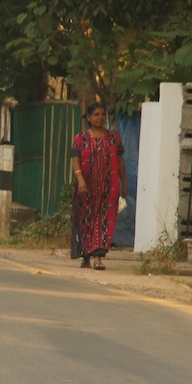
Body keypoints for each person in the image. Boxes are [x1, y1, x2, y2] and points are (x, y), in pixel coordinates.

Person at [70, 102, 128, 269]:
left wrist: (124, 183)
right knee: (87, 219)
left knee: (105, 220)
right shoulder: (80, 138)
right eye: (96, 114)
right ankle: (86, 255)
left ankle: (98, 257)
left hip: (109, 187)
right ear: (88, 118)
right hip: (86, 187)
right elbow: (75, 161)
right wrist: (80, 180)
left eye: (102, 114)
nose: (100, 117)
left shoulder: (113, 138)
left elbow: (120, 162)